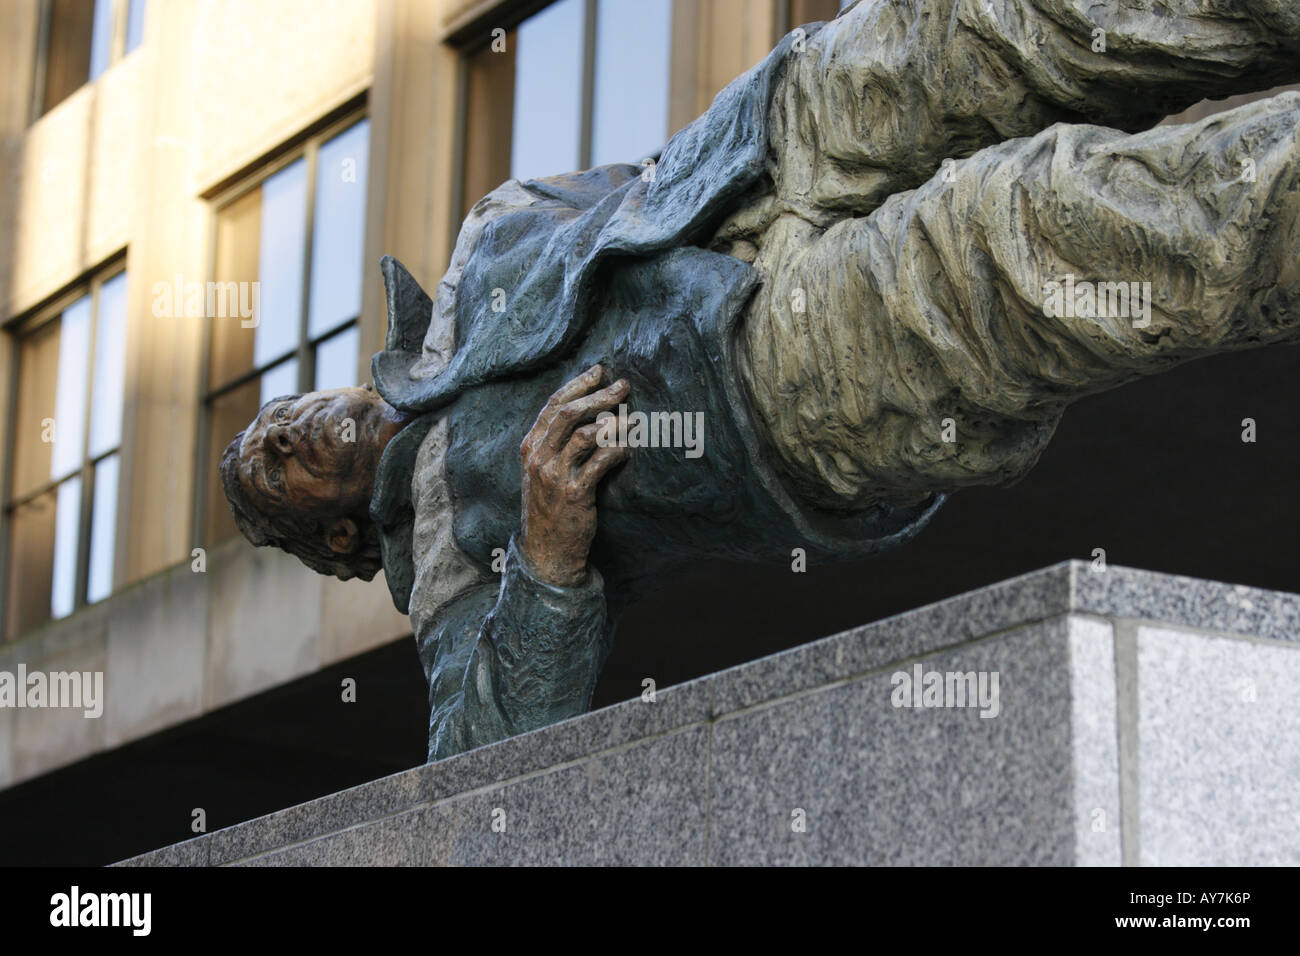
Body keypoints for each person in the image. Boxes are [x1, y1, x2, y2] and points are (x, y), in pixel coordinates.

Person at [222, 0, 1300, 760]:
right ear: (338, 540)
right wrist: (549, 553)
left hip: (761, 143)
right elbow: (479, 769)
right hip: (772, 383)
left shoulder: (479, 237)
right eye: (272, 471)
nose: (281, 433)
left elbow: (625, 184)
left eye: (270, 422)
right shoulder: (459, 565)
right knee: (1037, 239)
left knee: (997, 26)